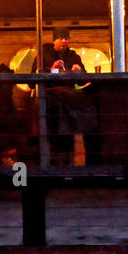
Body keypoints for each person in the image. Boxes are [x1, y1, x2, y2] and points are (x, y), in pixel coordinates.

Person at [42, 27, 93, 166]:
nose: (64, 41)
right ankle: (53, 162)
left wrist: (79, 72)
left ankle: (69, 163)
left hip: (69, 102)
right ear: (54, 40)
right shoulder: (43, 55)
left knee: (69, 133)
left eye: (66, 38)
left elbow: (83, 80)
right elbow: (35, 76)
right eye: (61, 38)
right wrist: (53, 68)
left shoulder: (74, 57)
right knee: (53, 133)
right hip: (50, 101)